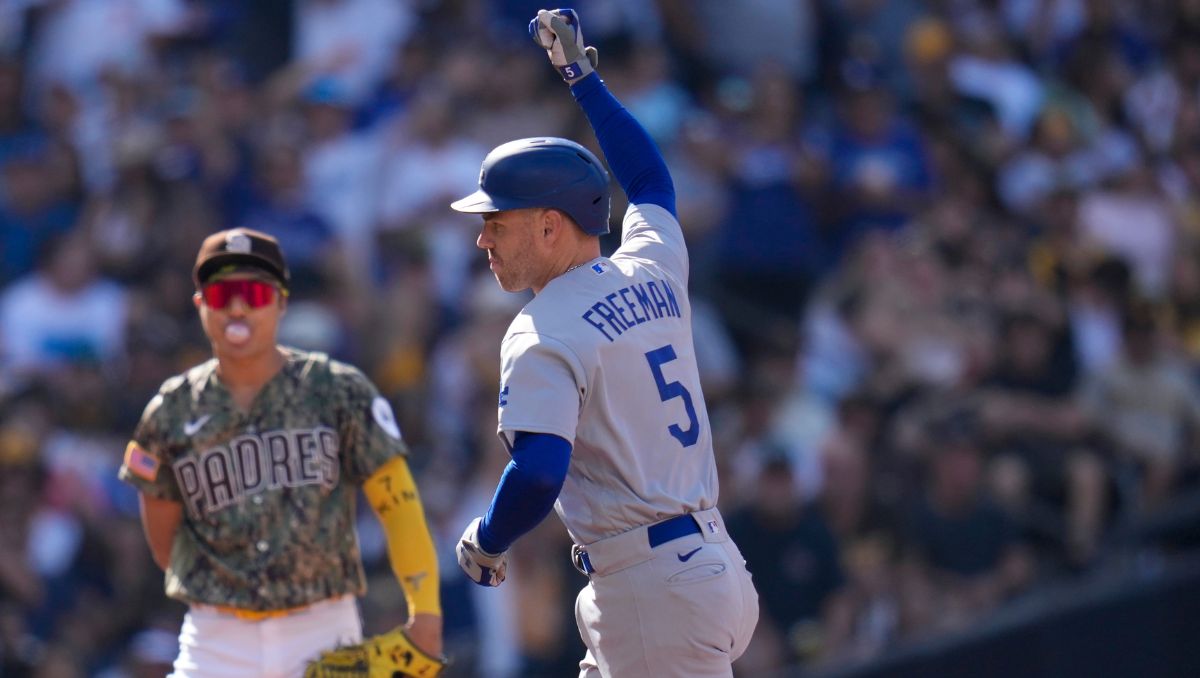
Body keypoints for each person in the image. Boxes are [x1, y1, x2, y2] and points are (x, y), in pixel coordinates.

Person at [451, 10, 759, 678]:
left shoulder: (541, 330)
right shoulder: (652, 264)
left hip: (653, 589)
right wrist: (583, 82)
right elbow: (650, 181)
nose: (482, 239)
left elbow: (539, 472)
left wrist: (489, 539)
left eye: (497, 222)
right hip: (702, 567)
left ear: (550, 226)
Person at [117, 227, 442, 678]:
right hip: (216, 640)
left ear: (281, 302)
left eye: (254, 293)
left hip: (323, 632)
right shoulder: (171, 410)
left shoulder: (339, 391)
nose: (237, 308)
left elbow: (399, 507)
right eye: (222, 295)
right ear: (200, 304)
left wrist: (425, 613)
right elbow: (162, 538)